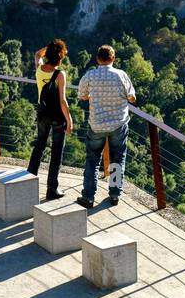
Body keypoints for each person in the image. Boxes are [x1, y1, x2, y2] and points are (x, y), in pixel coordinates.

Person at [75, 44, 136, 208]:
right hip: (118, 124)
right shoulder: (121, 75)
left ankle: (88, 197)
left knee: (92, 161)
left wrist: (93, 95)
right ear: (113, 59)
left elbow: (82, 96)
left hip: (96, 125)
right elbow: (132, 98)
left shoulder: (90, 75)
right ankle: (115, 194)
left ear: (97, 59)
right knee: (117, 159)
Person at [28, 40, 72, 201]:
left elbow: (37, 54)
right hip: (58, 116)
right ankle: (52, 189)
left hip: (42, 113)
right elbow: (63, 101)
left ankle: (28, 180)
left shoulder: (39, 69)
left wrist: (52, 49)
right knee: (57, 151)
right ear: (60, 57)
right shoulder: (60, 74)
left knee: (39, 145)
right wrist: (69, 119)